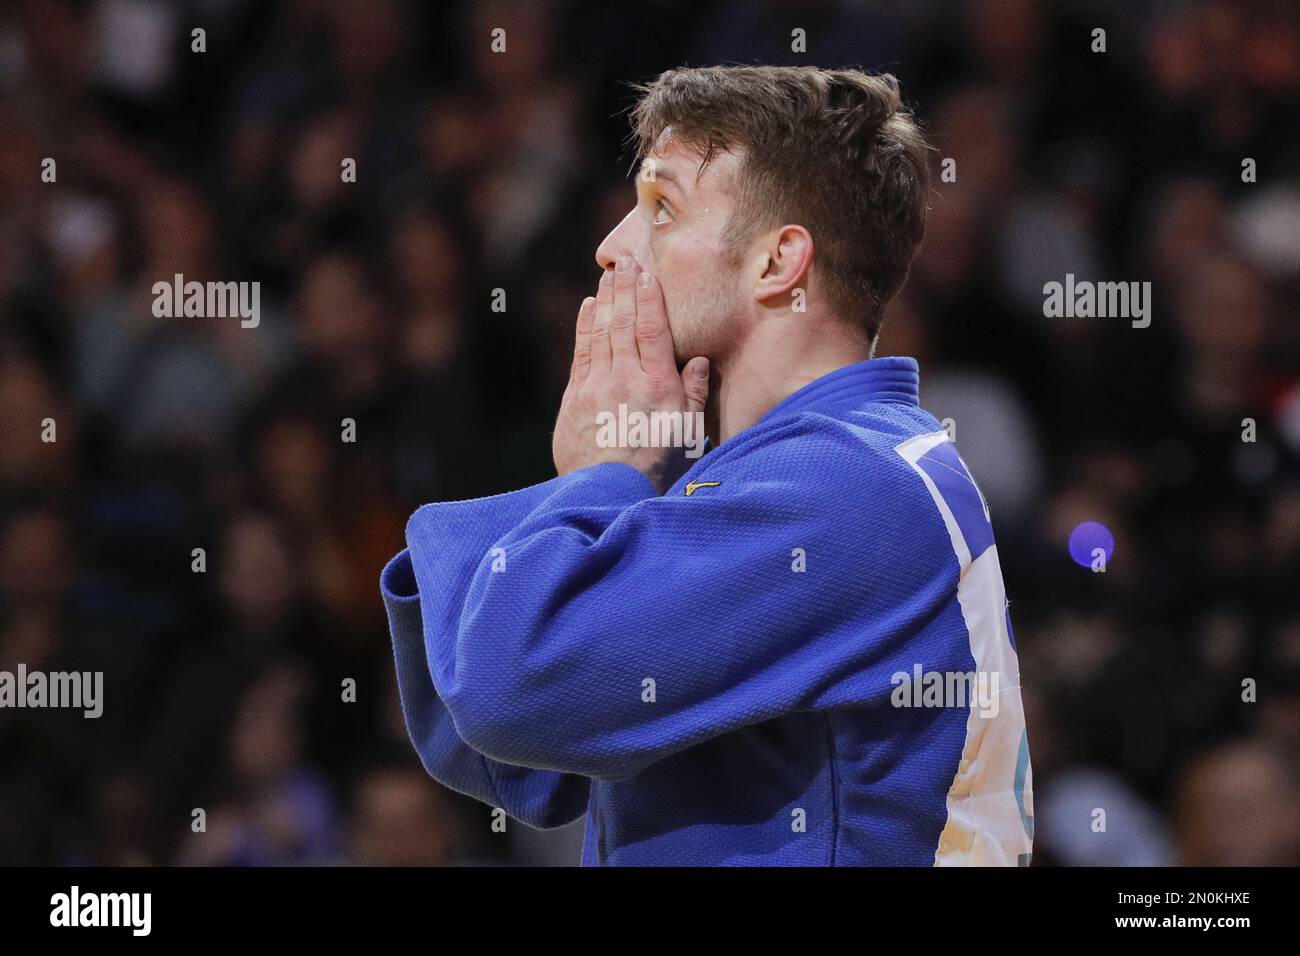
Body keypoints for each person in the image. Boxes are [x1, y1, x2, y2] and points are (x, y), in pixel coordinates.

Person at [381, 65, 1033, 865]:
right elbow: (506, 757)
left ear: (776, 264)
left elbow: (511, 689)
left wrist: (599, 475)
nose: (610, 245)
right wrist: (627, 482)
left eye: (661, 208)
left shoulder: (849, 486)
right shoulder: (780, 472)